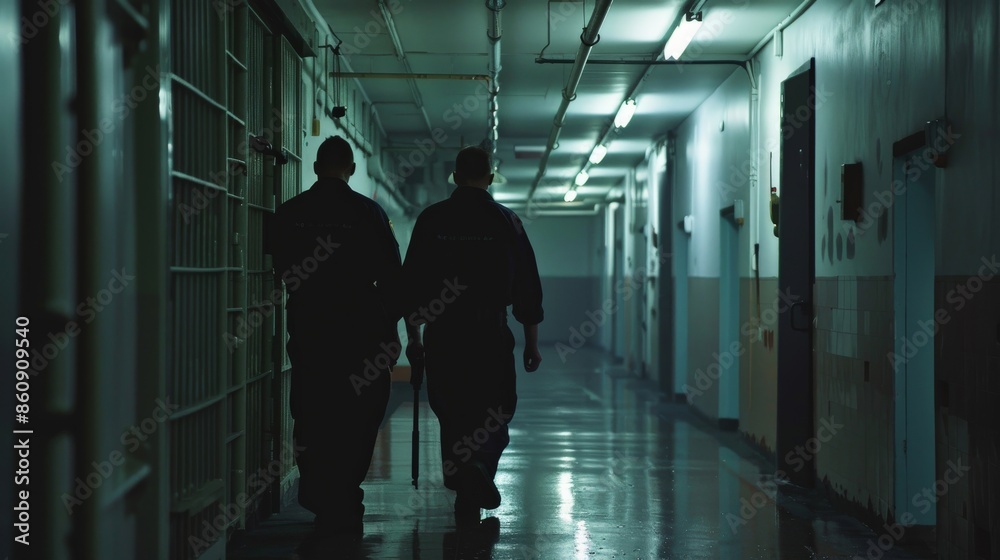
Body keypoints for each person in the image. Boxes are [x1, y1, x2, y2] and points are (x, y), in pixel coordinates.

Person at [269, 135, 408, 540]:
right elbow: (393, 279)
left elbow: (279, 270)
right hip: (360, 335)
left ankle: (318, 492)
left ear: (315, 167)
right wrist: (388, 328)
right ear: (350, 169)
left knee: (312, 413)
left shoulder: (291, 212)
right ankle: (343, 493)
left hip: (311, 333)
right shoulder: (368, 213)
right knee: (359, 417)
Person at [402, 145, 544, 528]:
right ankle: (479, 465)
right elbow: (528, 286)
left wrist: (413, 338)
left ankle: (464, 486)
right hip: (490, 333)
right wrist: (531, 342)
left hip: (443, 333)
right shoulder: (506, 222)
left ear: (454, 175)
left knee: (452, 411)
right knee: (495, 408)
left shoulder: (432, 220)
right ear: (490, 176)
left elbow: (411, 283)